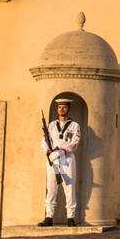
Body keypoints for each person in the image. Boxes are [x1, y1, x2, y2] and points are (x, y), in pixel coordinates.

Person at [39, 96, 82, 228]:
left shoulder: (75, 126)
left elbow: (75, 142)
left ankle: (70, 217)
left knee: (69, 187)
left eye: (64, 107)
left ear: (68, 109)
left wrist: (63, 151)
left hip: (66, 158)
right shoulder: (51, 125)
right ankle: (49, 216)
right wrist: (49, 153)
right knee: (51, 188)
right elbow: (44, 142)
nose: (61, 109)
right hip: (53, 159)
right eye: (59, 107)